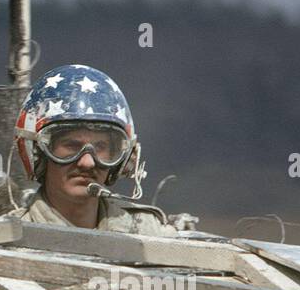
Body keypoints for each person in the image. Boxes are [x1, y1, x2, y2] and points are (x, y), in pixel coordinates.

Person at [14, 64, 185, 235]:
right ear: (38, 153)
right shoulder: (8, 236)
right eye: (72, 146)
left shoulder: (146, 232)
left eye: (101, 147)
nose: (87, 163)